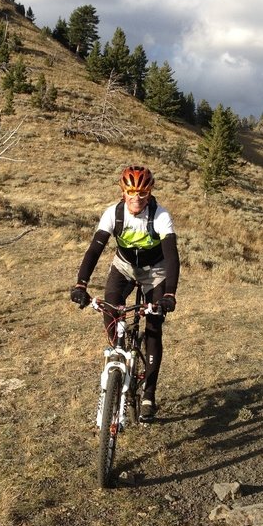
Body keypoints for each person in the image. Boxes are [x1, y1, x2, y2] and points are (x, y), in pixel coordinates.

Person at [70, 165, 180, 422]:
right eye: (131, 192)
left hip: (155, 272)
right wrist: (81, 285)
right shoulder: (114, 213)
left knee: (153, 328)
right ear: (123, 192)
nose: (136, 198)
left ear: (149, 192)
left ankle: (149, 395)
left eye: (142, 193)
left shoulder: (160, 216)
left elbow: (172, 257)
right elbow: (94, 250)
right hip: (124, 268)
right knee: (110, 311)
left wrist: (170, 294)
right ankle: (119, 353)